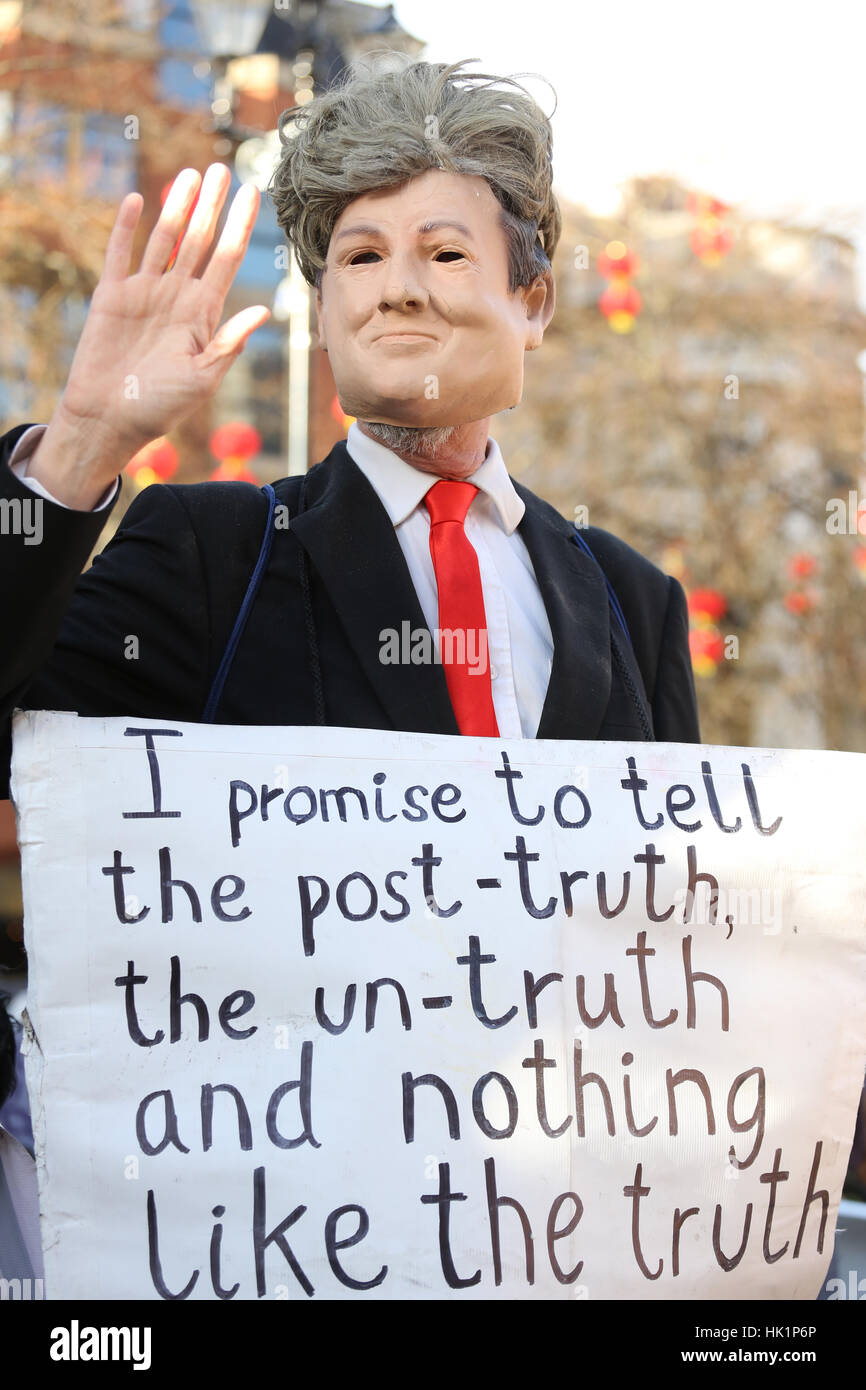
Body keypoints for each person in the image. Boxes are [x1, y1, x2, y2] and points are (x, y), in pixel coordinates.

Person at [0, 56, 699, 786]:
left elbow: (682, 872)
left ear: (533, 303)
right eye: (362, 257)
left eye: (446, 253)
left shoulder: (634, 600)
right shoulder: (211, 555)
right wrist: (80, 446)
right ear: (325, 314)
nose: (397, 289)